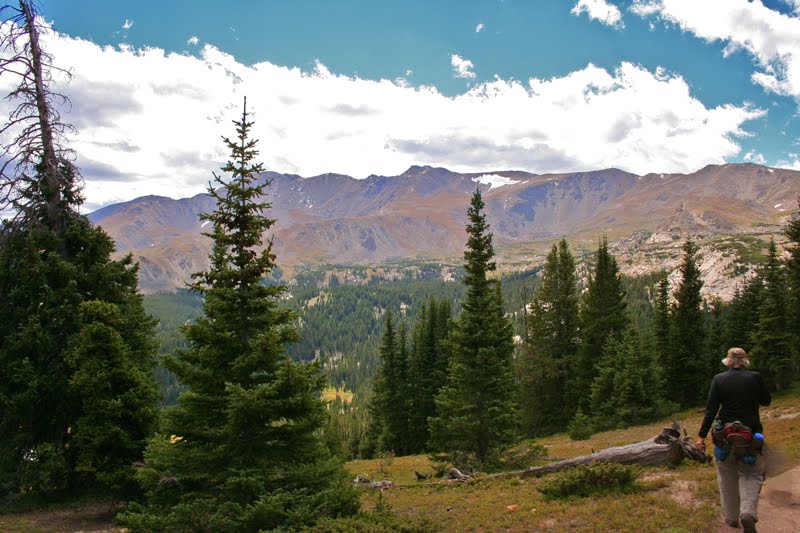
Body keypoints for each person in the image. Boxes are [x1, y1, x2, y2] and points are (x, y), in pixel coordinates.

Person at [696, 347, 771, 532]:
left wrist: (701, 436)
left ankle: (731, 518)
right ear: (745, 361)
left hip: (725, 437)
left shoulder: (719, 379)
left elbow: (711, 410)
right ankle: (747, 513)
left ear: (728, 361)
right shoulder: (755, 377)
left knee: (726, 474)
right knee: (752, 474)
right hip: (751, 436)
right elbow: (766, 401)